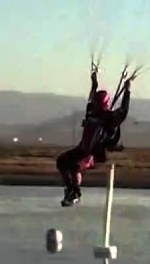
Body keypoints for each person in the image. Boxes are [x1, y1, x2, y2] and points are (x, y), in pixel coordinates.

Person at [55, 66, 132, 207]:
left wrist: (127, 90)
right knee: (61, 162)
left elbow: (124, 110)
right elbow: (92, 95)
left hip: (93, 153)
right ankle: (70, 189)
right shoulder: (92, 111)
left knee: (75, 166)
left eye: (97, 105)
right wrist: (94, 81)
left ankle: (76, 193)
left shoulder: (110, 118)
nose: (95, 107)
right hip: (82, 149)